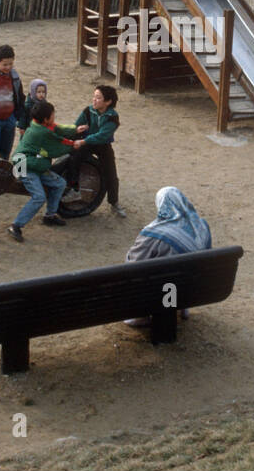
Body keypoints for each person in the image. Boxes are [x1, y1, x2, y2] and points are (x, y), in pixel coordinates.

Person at [124, 187, 211, 325]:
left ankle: (141, 316)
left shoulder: (154, 233)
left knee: (136, 265)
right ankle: (182, 307)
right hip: (193, 290)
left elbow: (134, 266)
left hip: (164, 292)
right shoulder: (202, 227)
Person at [6, 100, 80, 241]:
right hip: (23, 165)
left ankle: (50, 215)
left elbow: (58, 129)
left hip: (33, 163)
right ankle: (16, 225)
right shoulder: (42, 132)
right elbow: (57, 145)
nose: (54, 117)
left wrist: (75, 129)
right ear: (46, 119)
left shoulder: (37, 125)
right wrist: (73, 145)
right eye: (52, 115)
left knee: (60, 184)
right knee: (39, 196)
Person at [64, 84, 126, 218]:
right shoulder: (88, 110)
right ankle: (75, 189)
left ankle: (114, 202)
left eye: (98, 98)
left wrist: (84, 141)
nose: (94, 100)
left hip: (102, 145)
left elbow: (102, 135)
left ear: (108, 102)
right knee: (74, 158)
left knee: (111, 174)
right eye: (94, 97)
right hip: (87, 142)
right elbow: (76, 125)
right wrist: (76, 130)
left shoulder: (112, 117)